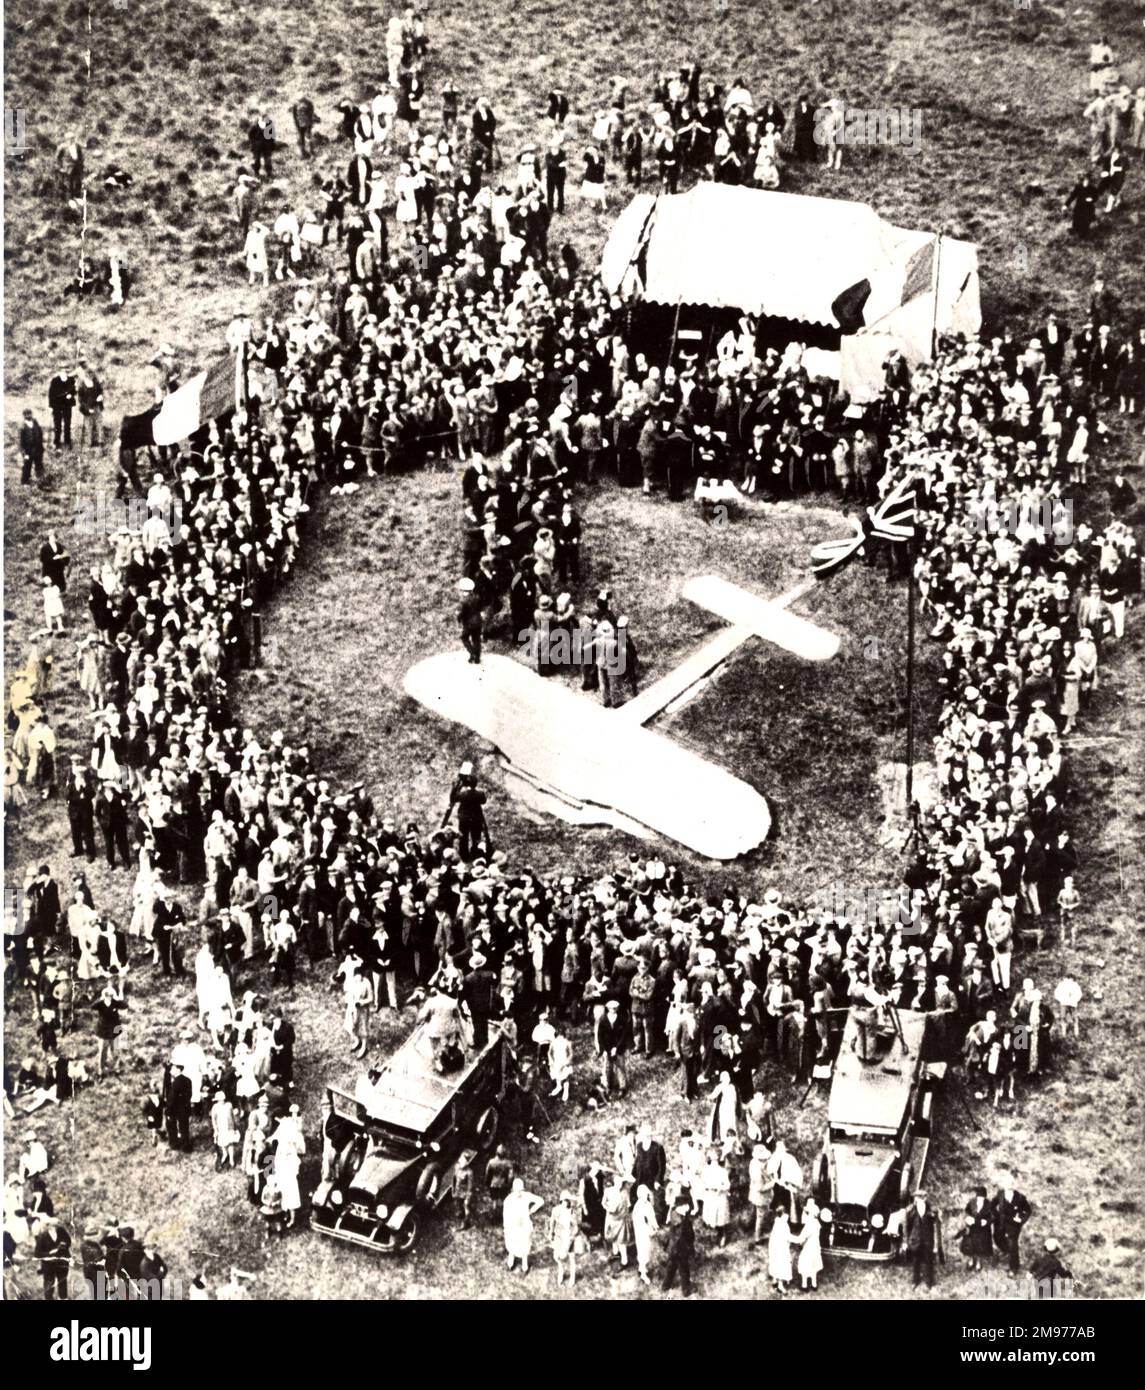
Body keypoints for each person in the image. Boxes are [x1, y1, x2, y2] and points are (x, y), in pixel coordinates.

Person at [992, 1178, 1033, 1275]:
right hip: (1000, 1223)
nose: (1009, 1187)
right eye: (1007, 1185)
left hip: (1013, 1225)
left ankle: (1014, 1267)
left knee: (1013, 1245)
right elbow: (992, 1205)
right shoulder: (1000, 1194)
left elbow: (1028, 1210)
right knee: (997, 1237)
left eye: (1011, 1185)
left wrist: (1021, 1220)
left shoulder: (1020, 1198)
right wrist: (996, 1215)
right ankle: (1006, 1250)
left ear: (1014, 1186)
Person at [502, 1176, 543, 1273]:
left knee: (525, 1243)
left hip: (525, 1225)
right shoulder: (508, 1200)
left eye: (521, 1190)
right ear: (513, 1189)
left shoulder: (526, 1196)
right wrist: (507, 1227)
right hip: (513, 1225)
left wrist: (531, 1210)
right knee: (512, 1242)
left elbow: (541, 1201)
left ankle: (525, 1263)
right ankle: (511, 1260)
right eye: (517, 1190)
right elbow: (505, 1215)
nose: (519, 1193)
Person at [904, 1190, 944, 1288]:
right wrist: (905, 1242)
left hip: (927, 1240)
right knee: (915, 1261)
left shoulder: (933, 1211)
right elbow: (906, 1227)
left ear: (925, 1199)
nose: (919, 1200)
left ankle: (929, 1281)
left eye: (922, 1198)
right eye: (917, 1198)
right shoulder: (910, 1211)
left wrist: (936, 1245)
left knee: (928, 1261)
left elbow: (936, 1229)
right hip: (915, 1240)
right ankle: (915, 1280)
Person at [661, 1199, 695, 1296]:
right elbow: (686, 1236)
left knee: (671, 1266)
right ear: (680, 1207)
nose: (688, 1207)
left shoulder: (674, 1214)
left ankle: (666, 1285)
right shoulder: (683, 1221)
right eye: (686, 1205)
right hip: (680, 1249)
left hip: (672, 1248)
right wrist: (689, 1245)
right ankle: (686, 1289)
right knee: (684, 1269)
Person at [549, 1189, 583, 1286]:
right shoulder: (555, 1210)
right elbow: (552, 1222)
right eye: (564, 1200)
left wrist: (572, 1236)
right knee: (557, 1256)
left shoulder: (572, 1212)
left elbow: (576, 1226)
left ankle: (572, 1277)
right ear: (561, 1201)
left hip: (570, 1235)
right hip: (559, 1236)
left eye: (568, 1201)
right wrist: (551, 1233)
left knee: (571, 1257)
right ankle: (561, 1271)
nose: (566, 1203)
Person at [35, 1218, 71, 1300]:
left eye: (57, 1225)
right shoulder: (42, 1237)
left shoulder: (62, 1231)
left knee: (62, 1281)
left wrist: (64, 1245)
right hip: (49, 1265)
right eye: (54, 1225)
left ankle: (63, 1298)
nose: (56, 1227)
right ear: (48, 1226)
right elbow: (37, 1254)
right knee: (49, 1284)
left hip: (62, 1262)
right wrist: (49, 1253)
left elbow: (69, 1242)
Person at [631, 1183, 659, 1284]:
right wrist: (649, 1230)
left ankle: (642, 1268)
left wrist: (655, 1226)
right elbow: (640, 1224)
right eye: (644, 1195)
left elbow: (652, 1216)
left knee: (648, 1250)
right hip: (642, 1234)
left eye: (646, 1195)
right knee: (643, 1252)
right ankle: (643, 1273)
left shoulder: (647, 1205)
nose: (646, 1197)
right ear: (639, 1195)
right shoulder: (638, 1208)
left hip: (648, 1232)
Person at [961, 1186, 993, 1271]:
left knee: (981, 1245)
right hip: (973, 1228)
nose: (980, 1199)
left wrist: (987, 1222)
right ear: (976, 1196)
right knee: (971, 1244)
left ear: (985, 1197)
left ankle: (979, 1261)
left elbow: (993, 1217)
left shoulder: (989, 1204)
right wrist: (967, 1218)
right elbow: (966, 1212)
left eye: (982, 1198)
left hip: (983, 1229)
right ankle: (971, 1260)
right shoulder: (971, 1202)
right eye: (979, 1197)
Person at [768, 1205, 793, 1293]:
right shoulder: (783, 1225)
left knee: (775, 1264)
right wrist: (799, 1239)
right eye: (786, 1213)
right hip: (781, 1249)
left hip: (774, 1248)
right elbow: (788, 1237)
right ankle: (780, 1286)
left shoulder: (777, 1222)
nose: (788, 1215)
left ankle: (774, 1280)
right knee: (782, 1266)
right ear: (783, 1214)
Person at [20, 408, 45, 483]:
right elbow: (21, 442)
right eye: (26, 414)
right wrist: (24, 453)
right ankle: (25, 481)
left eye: (29, 413)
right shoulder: (23, 427)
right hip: (28, 450)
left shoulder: (35, 423)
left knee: (39, 465)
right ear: (24, 416)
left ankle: (41, 480)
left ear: (31, 414)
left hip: (38, 449)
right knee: (27, 466)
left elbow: (40, 435)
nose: (28, 415)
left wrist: (41, 447)